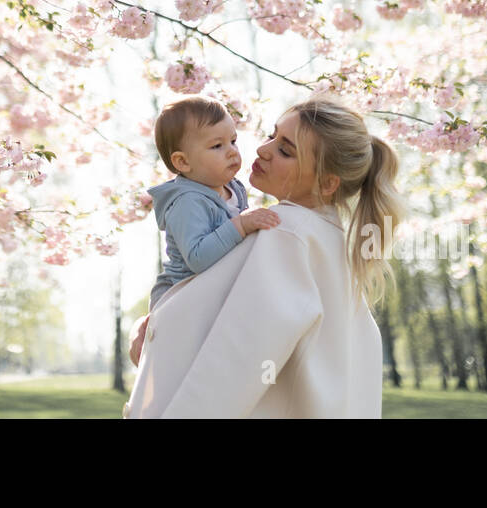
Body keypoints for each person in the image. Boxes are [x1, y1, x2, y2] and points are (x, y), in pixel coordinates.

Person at [124, 96, 406, 418]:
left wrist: (158, 336)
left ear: (328, 183)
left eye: (285, 150)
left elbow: (236, 362)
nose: (262, 149)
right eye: (272, 135)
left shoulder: (286, 234)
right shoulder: (329, 243)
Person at [144, 96, 281, 316]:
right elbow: (198, 258)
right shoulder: (187, 202)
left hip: (210, 295)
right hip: (180, 302)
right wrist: (242, 225)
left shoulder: (233, 188)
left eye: (233, 141)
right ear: (183, 162)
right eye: (217, 145)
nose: (231, 151)